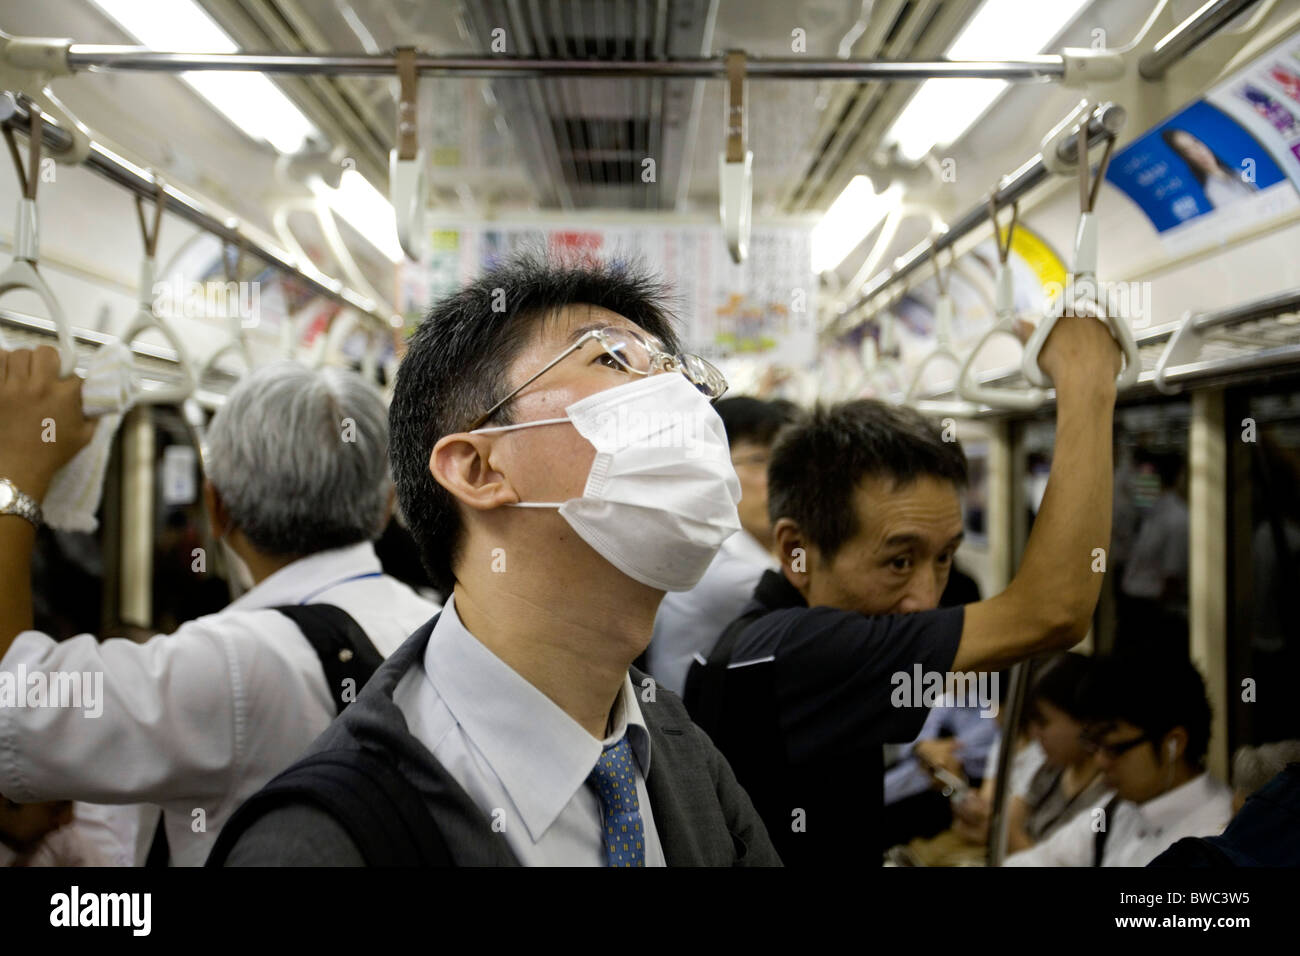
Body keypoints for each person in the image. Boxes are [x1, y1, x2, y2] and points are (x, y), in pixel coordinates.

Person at [212, 253, 780, 866]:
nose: (678, 401)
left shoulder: (679, 748)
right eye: (613, 359)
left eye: (673, 372)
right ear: (479, 467)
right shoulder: (323, 842)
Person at [683, 308, 1125, 867]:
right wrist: (1086, 378)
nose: (925, 597)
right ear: (798, 551)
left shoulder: (764, 640)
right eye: (898, 561)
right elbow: (1056, 611)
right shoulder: (802, 650)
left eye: (943, 559)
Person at [0, 354, 440, 865]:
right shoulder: (439, 627)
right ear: (387, 504)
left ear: (216, 508)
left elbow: (13, 703)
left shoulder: (229, 664)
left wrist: (15, 477)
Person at [1004, 653, 1231, 866]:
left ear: (1174, 744)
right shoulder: (1118, 810)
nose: (1101, 762)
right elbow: (1042, 859)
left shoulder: (1218, 837)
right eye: (1095, 746)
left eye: (1114, 749)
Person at [646, 396, 802, 696]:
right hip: (692, 735)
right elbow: (817, 594)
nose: (778, 479)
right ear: (711, 468)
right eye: (759, 460)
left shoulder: (760, 545)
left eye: (781, 463)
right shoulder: (713, 563)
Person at [1118, 450, 1189, 653]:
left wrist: (1155, 615)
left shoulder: (1176, 519)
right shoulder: (1151, 513)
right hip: (1135, 607)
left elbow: (1172, 578)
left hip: (1151, 613)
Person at [1160, 127, 1258, 210]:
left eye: (1195, 142)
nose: (1198, 151)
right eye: (1187, 151)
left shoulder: (1236, 172)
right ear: (1184, 158)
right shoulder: (1212, 191)